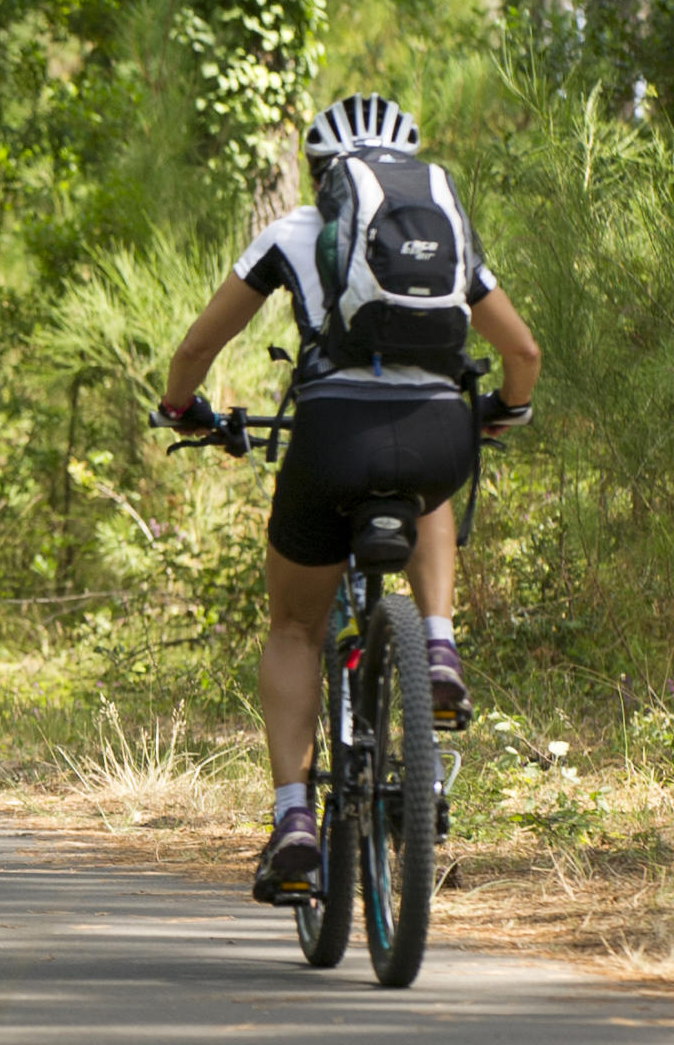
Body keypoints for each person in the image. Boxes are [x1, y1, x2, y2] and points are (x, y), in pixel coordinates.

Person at [157, 95, 540, 898]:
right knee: (429, 486)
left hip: (331, 436)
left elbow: (198, 345)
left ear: (322, 171)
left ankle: (294, 818)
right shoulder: (448, 228)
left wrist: (183, 408)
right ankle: (435, 644)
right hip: (439, 432)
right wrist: (504, 412)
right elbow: (523, 351)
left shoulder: (296, 229)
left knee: (295, 624)